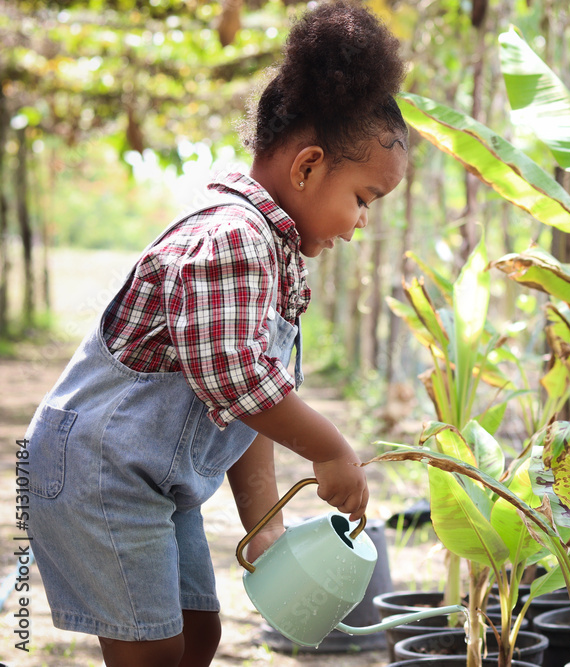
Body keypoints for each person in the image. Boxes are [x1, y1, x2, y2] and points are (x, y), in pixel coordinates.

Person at [22, 3, 408, 666]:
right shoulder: (231, 238)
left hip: (150, 481)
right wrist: (332, 449)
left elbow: (249, 400)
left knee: (199, 635)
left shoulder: (277, 255)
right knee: (153, 649)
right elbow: (236, 380)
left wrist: (264, 526)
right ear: (309, 167)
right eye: (364, 198)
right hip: (100, 471)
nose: (360, 224)